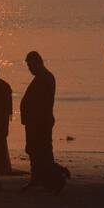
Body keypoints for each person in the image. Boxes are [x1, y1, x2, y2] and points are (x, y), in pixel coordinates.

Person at [21, 50, 67, 193]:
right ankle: (39, 178)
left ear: (37, 63)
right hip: (36, 121)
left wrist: (34, 119)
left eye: (30, 65)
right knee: (35, 150)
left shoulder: (45, 78)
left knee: (41, 150)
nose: (29, 69)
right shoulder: (42, 78)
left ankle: (55, 175)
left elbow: (42, 103)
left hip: (39, 122)